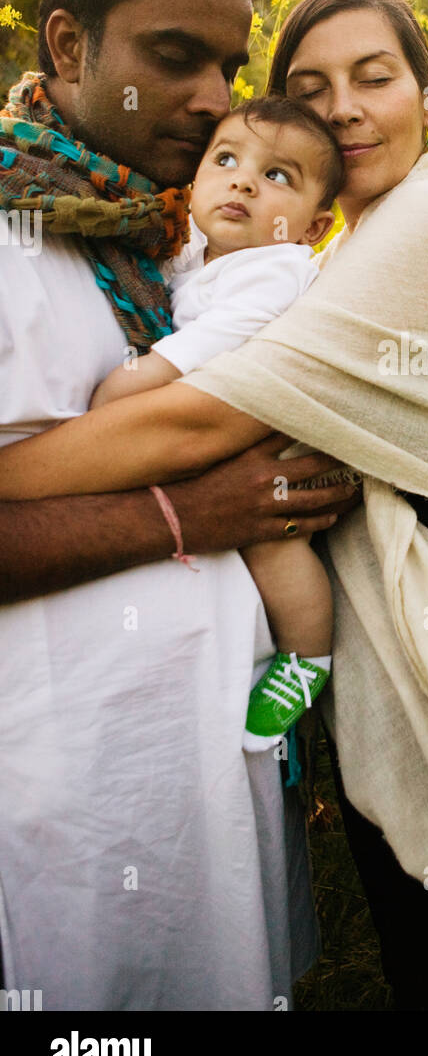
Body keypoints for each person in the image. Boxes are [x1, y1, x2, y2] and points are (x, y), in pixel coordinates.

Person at [0, 0, 428, 1011]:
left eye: (376, 78)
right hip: (394, 647)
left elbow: (197, 422)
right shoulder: (339, 246)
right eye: (315, 89)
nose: (349, 108)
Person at [0, 0, 360, 1011]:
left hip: (201, 775)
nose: (213, 101)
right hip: (70, 803)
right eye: (173, 56)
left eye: (228, 65)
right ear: (69, 44)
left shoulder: (172, 237)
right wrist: (193, 515)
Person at [91, 94, 354, 751]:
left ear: (312, 228)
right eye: (227, 159)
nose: (242, 180)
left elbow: (210, 343)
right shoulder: (196, 252)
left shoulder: (275, 268)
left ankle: (306, 656)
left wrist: (133, 382)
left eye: (277, 176)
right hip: (211, 423)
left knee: (274, 542)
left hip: (275, 437)